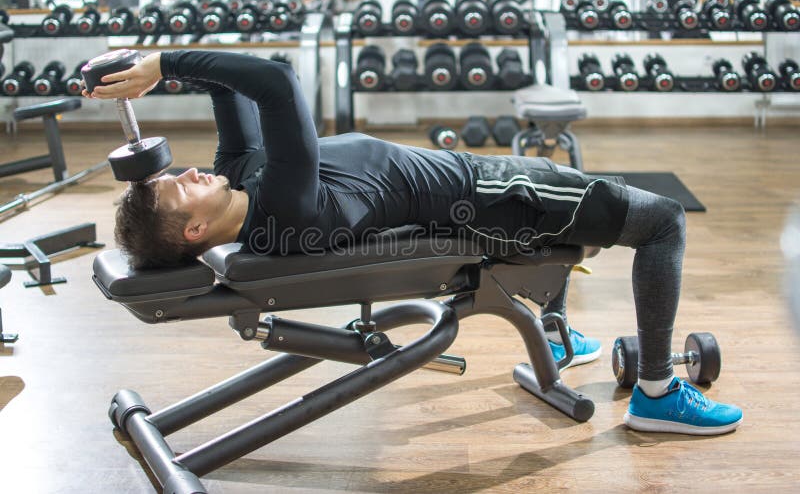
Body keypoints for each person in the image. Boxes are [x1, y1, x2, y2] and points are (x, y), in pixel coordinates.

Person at [85, 50, 742, 436]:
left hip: (482, 186)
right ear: (196, 232)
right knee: (661, 222)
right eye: (180, 190)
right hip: (499, 200)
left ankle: (558, 334)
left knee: (594, 208)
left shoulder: (241, 179)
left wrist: (135, 66)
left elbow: (236, 80)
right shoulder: (282, 205)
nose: (192, 172)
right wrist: (165, 63)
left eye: (176, 172)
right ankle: (658, 392)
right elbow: (279, 85)